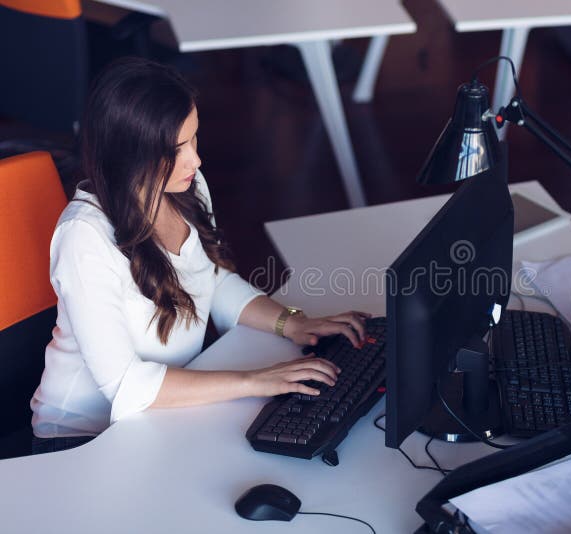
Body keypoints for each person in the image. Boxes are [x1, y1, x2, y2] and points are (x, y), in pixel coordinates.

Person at [30, 57, 368, 454]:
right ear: (129, 153)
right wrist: (256, 380)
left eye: (194, 139)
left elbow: (209, 278)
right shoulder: (83, 239)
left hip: (160, 417)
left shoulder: (184, 185)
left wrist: (292, 324)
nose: (196, 160)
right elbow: (127, 384)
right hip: (82, 441)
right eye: (177, 149)